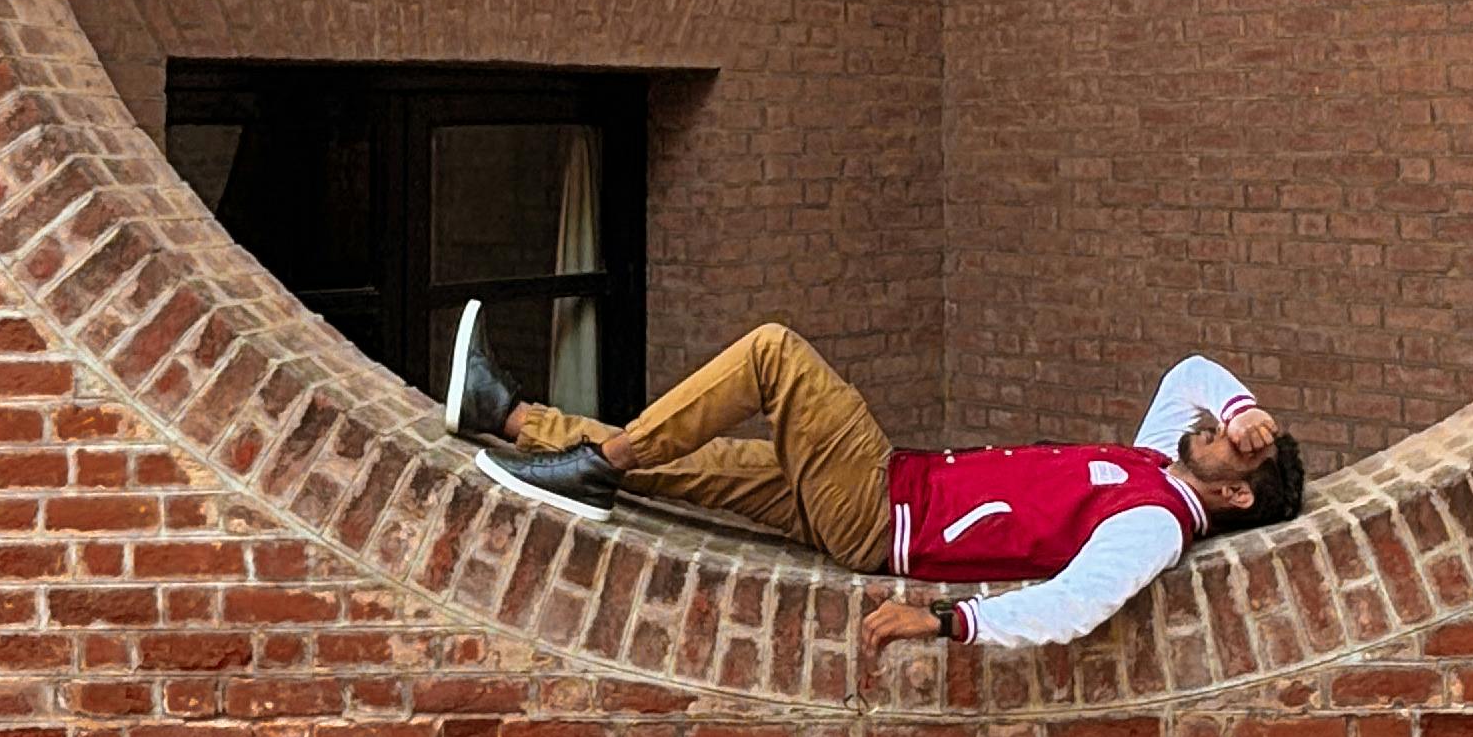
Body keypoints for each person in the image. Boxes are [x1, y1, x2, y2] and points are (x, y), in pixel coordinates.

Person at [444, 306, 1304, 657]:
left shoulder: (1156, 520)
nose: (1219, 435)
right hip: (876, 494)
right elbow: (1189, 370)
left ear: (1233, 497)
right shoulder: (1161, 459)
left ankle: (596, 468)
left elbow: (1077, 603)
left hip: (881, 510)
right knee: (697, 466)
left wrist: (947, 622)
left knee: (774, 351)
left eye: (1243, 457)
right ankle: (510, 415)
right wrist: (1241, 409)